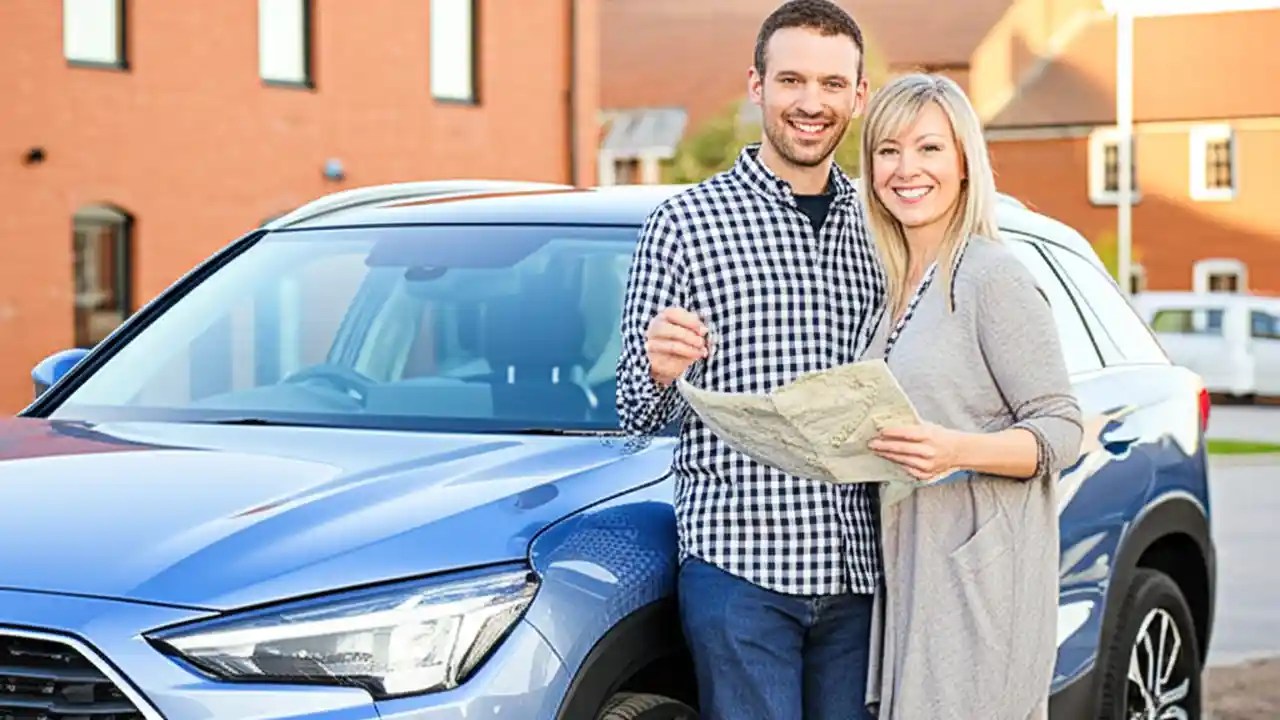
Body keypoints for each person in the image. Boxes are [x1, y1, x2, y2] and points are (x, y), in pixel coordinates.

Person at [614, 1, 884, 718]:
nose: (811, 102)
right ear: (757, 85)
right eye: (792, 79)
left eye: (833, 84)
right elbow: (633, 412)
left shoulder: (882, 226)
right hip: (742, 571)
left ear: (859, 96)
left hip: (862, 570)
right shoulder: (684, 224)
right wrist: (658, 369)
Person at [856, 72, 1084, 719]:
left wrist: (953, 449)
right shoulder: (896, 286)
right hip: (910, 572)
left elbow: (1062, 429)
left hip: (980, 578)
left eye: (929, 148)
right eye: (888, 151)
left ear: (963, 163)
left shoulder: (993, 276)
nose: (907, 169)